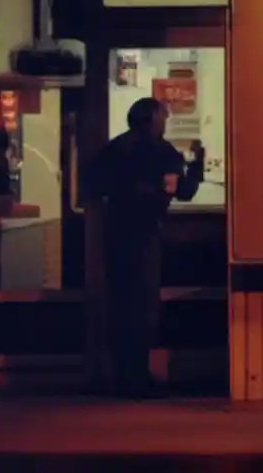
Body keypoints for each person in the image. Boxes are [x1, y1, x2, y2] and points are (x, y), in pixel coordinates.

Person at [85, 97, 204, 397]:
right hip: (145, 236)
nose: (165, 123)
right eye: (164, 117)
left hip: (114, 235)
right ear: (152, 119)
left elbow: (92, 184)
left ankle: (119, 375)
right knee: (142, 308)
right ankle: (137, 378)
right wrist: (198, 165)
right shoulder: (160, 152)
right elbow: (184, 191)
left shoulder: (113, 149)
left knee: (119, 305)